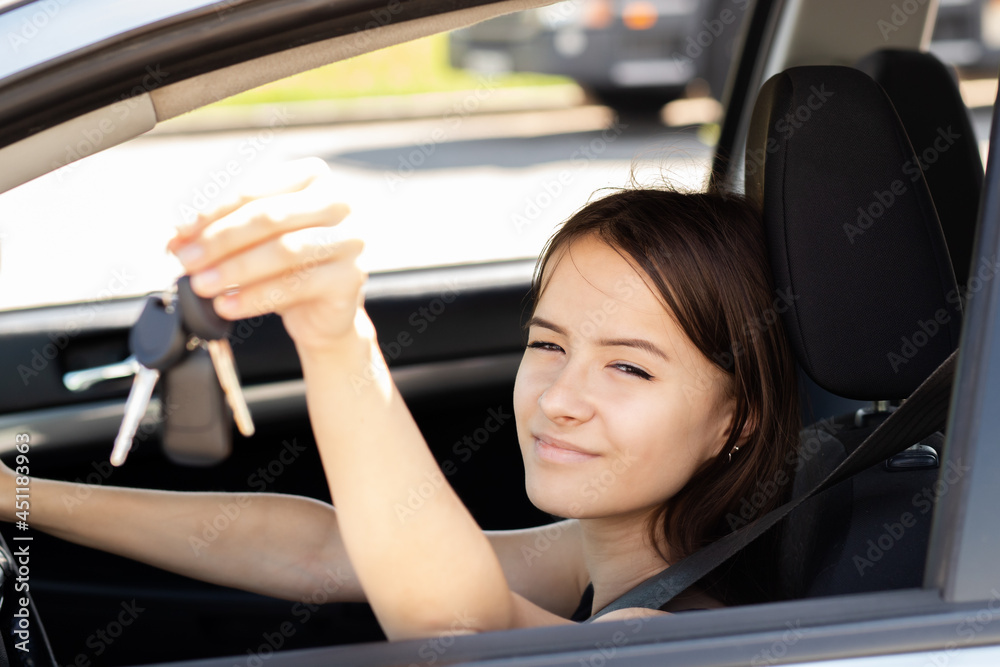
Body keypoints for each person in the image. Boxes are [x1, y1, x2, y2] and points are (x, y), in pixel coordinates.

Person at [0, 158, 799, 640]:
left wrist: (336, 335)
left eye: (629, 369)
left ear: (736, 419)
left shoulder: (671, 635)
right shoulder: (603, 552)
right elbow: (317, 550)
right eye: (549, 344)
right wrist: (19, 494)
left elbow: (459, 628)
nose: (559, 397)